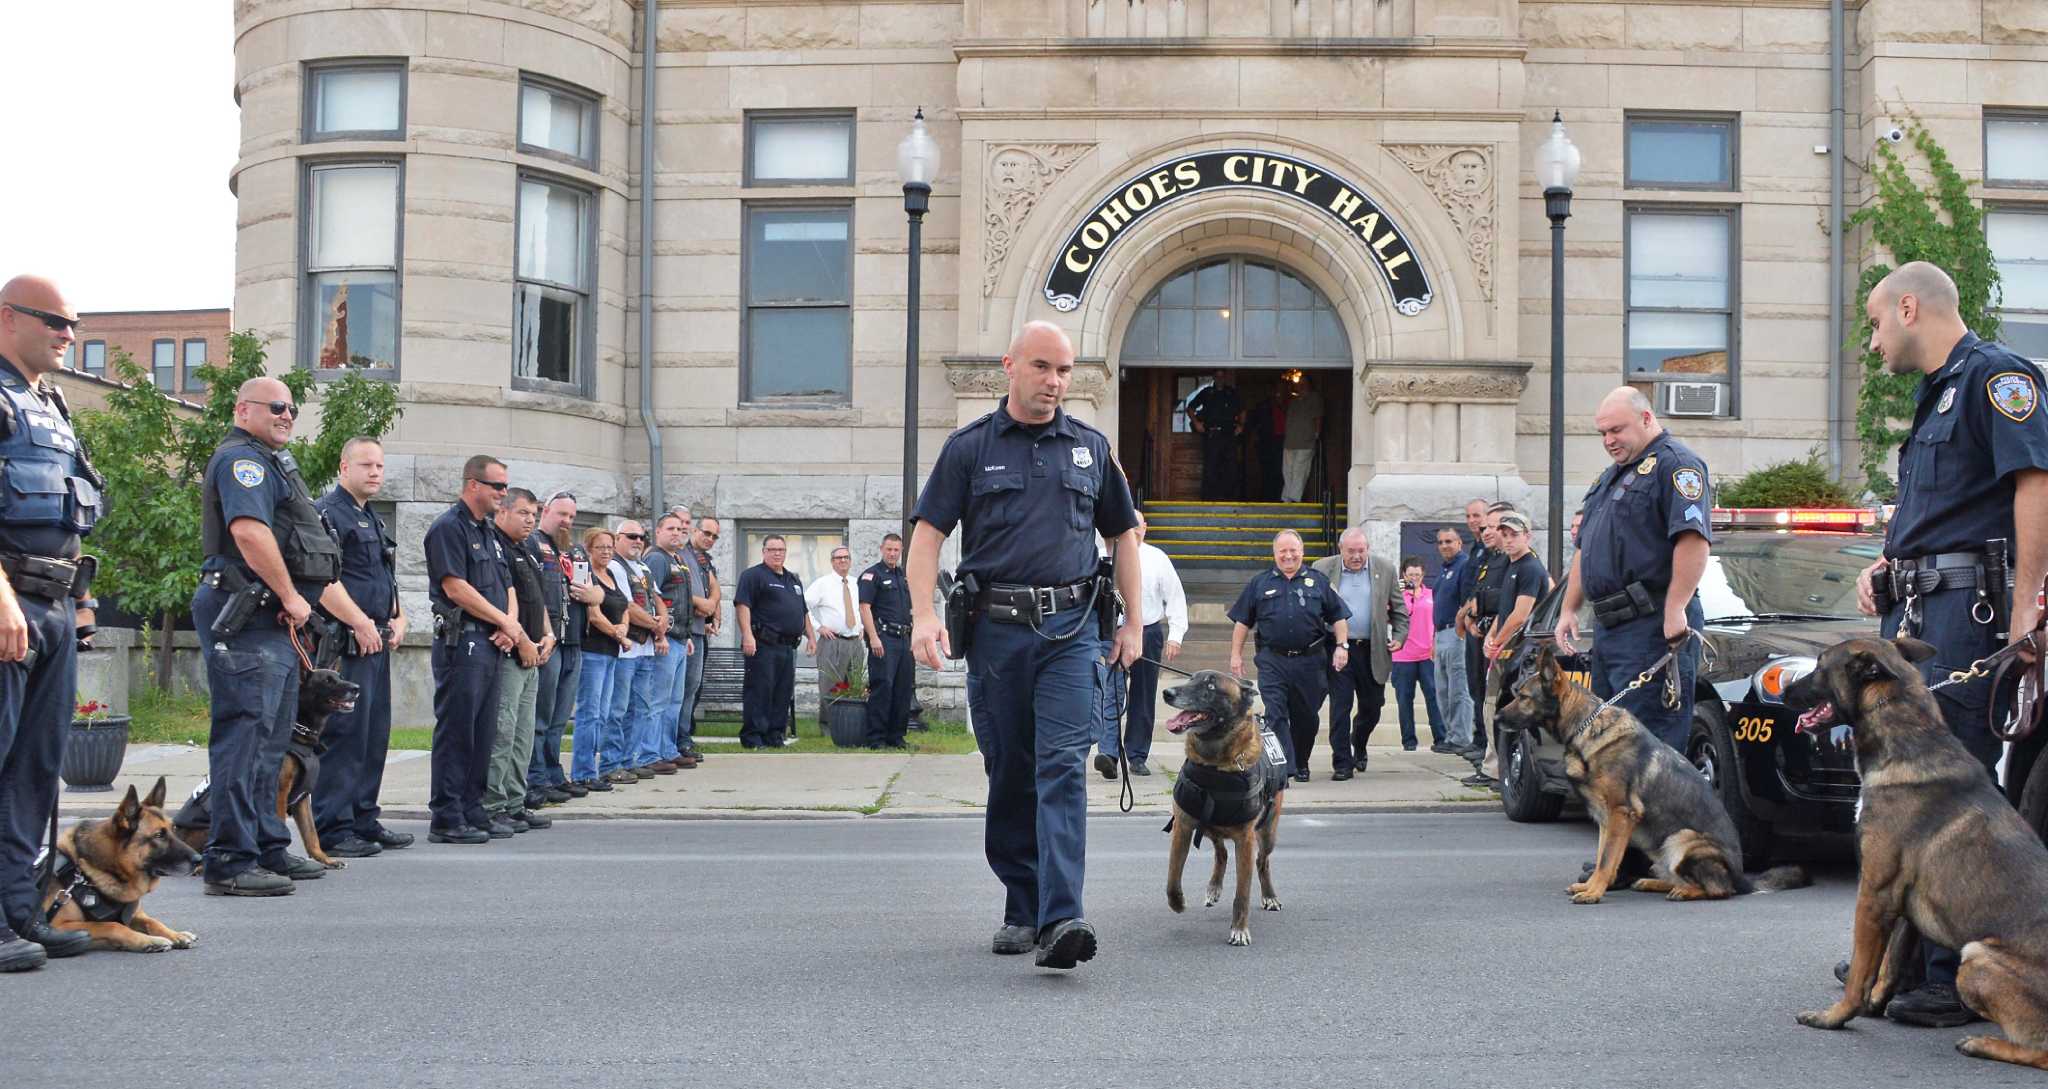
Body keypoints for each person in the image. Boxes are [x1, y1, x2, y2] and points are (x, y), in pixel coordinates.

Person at [1845, 261, 2048, 1027]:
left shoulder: (1997, 376)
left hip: (1974, 611)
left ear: (1909, 306)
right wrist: (1890, 564)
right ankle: (1908, 958)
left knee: (1948, 795)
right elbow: (1948, 507)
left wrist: (2026, 607)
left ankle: (1955, 966)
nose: (1873, 341)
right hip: (1927, 608)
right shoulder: (1939, 396)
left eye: (1874, 322)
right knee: (1910, 791)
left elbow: (2036, 482)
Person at [908, 319, 1143, 970]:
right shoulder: (970, 448)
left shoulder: (1092, 449)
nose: (1055, 381)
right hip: (998, 634)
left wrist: (1133, 624)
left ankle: (1061, 917)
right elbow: (927, 534)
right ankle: (1023, 900)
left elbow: (1124, 534)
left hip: (1071, 633)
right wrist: (924, 614)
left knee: (1062, 766)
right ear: (1009, 366)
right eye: (1042, 366)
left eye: (1064, 370)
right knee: (1010, 767)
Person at [193, 375, 340, 892]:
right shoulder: (243, 461)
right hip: (248, 616)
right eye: (276, 406)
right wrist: (292, 595)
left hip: (269, 623)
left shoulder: (274, 463)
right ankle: (230, 862)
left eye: (293, 409)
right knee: (244, 742)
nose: (286, 415)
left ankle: (268, 849)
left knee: (270, 744)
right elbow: (248, 532)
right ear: (242, 409)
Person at [0, 277, 104, 964]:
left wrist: (83, 598)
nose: (68, 334)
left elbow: (76, 511)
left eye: (72, 324)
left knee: (36, 769)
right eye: (55, 321)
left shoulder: (53, 405)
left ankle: (18, 910)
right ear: (9, 317)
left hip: (56, 606)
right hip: (9, 605)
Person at [1554, 387, 1712, 756]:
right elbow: (1586, 547)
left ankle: (1655, 817)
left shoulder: (1677, 465)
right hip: (1612, 631)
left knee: (1647, 753)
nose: (1609, 440)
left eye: (1617, 430)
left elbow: (1692, 540)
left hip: (1652, 626)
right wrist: (1568, 608)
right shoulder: (1611, 477)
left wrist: (1676, 611)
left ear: (1646, 418)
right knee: (1612, 751)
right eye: (1603, 433)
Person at [310, 437, 412, 857]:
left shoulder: (371, 517)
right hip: (346, 642)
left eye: (380, 466)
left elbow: (383, 576)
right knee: (344, 735)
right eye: (366, 465)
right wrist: (359, 622)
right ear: (343, 467)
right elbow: (322, 579)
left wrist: (399, 616)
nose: (375, 472)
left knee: (374, 734)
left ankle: (363, 818)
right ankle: (333, 827)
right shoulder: (327, 514)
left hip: (376, 639)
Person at [422, 455, 525, 844]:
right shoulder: (449, 528)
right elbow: (455, 587)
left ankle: (472, 807)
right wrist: (503, 621)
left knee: (484, 731)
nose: (503, 493)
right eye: (497, 486)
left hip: (493, 640)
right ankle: (447, 816)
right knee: (458, 730)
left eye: (505, 486)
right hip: (462, 640)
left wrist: (508, 626)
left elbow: (507, 586)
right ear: (473, 485)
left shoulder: (489, 532)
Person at [1230, 530, 1351, 783]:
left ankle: (1301, 761)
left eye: (1293, 550)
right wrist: (1236, 655)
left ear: (1302, 552)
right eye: (1282, 551)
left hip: (1311, 661)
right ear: (1274, 554)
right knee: (1275, 712)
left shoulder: (1318, 581)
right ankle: (1283, 767)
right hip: (1272, 660)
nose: (1288, 555)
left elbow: (1338, 616)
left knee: (1306, 717)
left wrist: (1342, 646)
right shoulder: (1259, 583)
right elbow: (1242, 622)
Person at [1091, 512, 1185, 778]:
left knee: (1143, 696)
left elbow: (1175, 597)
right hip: (1111, 631)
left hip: (1148, 630)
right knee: (1110, 692)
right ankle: (1108, 753)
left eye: (1137, 524)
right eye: (1127, 523)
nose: (1132, 529)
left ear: (1145, 528)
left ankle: (1137, 754)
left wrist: (1175, 635)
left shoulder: (1158, 558)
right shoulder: (1101, 555)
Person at [482, 489, 553, 832]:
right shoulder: (496, 546)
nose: (530, 520)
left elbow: (537, 599)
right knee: (503, 732)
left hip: (535, 650)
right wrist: (523, 640)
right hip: (510, 653)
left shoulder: (529, 549)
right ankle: (493, 805)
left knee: (523, 734)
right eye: (524, 513)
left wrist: (548, 634)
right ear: (504, 512)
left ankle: (514, 800)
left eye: (534, 515)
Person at [1311, 527, 1406, 776]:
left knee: (1372, 707)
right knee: (1340, 706)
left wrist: (1399, 636)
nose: (1356, 556)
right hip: (1336, 649)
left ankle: (1359, 742)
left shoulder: (1384, 569)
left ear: (1368, 549)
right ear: (1340, 549)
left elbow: (1399, 609)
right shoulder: (1322, 568)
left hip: (1371, 649)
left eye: (1361, 550)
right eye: (1351, 551)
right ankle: (1342, 763)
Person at [1477, 512, 1550, 787]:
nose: (1508, 540)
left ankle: (1502, 770)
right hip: (1504, 650)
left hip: (1520, 654)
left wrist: (1498, 642)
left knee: (1505, 710)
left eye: (1514, 535)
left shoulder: (1530, 567)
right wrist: (1492, 634)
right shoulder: (1512, 566)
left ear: (1527, 536)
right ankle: (1493, 768)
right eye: (1504, 535)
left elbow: (1521, 615)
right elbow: (1505, 611)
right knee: (1490, 708)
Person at [530, 493, 593, 799]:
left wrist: (595, 596)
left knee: (559, 718)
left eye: (571, 516)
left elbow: (596, 593)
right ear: (546, 511)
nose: (567, 521)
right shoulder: (533, 543)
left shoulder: (574, 551)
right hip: (549, 641)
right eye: (562, 514)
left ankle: (554, 773)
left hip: (574, 640)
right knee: (541, 716)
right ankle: (536, 777)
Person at [569, 528, 634, 792]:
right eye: (600, 548)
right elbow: (594, 615)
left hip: (611, 652)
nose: (606, 552)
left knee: (604, 714)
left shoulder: (611, 575)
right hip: (592, 651)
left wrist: (623, 630)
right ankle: (583, 773)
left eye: (609, 547)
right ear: (588, 549)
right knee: (589, 714)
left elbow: (624, 608)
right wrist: (619, 635)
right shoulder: (586, 575)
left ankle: (593, 770)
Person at [736, 535, 815, 749]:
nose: (777, 553)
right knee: (760, 691)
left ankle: (775, 736)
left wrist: (811, 636)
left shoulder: (793, 579)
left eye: (781, 549)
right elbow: (743, 605)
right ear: (764, 552)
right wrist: (747, 635)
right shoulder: (753, 576)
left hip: (788, 646)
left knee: (782, 692)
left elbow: (803, 610)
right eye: (772, 549)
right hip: (763, 644)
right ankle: (754, 737)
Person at [611, 520, 673, 776]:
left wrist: (663, 624)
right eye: (631, 536)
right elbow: (628, 606)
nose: (638, 540)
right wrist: (657, 626)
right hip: (626, 650)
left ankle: (631, 759)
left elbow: (657, 599)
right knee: (619, 709)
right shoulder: (615, 565)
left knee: (641, 708)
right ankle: (612, 763)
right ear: (617, 538)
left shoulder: (644, 567)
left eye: (641, 537)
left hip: (646, 649)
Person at [647, 512, 699, 769]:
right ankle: (652, 753)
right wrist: (659, 634)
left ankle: (668, 749)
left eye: (680, 529)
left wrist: (686, 634)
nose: (676, 533)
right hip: (664, 640)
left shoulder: (677, 559)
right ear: (658, 531)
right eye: (670, 528)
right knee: (658, 700)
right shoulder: (656, 558)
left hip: (679, 638)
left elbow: (682, 601)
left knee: (674, 701)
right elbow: (650, 598)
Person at [858, 533, 914, 750]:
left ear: (900, 551)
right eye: (889, 549)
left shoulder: (903, 576)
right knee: (883, 687)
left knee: (903, 689)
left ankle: (896, 737)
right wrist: (873, 638)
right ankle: (876, 738)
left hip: (904, 639)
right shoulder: (872, 575)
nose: (892, 553)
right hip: (884, 638)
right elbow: (865, 608)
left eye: (896, 550)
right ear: (881, 549)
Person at [1390, 557, 1447, 752]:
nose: (1413, 578)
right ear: (1403, 575)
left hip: (1427, 654)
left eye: (1417, 574)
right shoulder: (1396, 596)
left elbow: (1439, 621)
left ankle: (1441, 737)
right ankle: (1409, 741)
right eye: (1410, 574)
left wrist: (1436, 644)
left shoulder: (1432, 594)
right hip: (1402, 655)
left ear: (1423, 575)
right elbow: (1385, 616)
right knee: (1405, 700)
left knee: (1433, 697)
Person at [1429, 526, 1475, 756]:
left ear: (1459, 543)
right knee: (1443, 690)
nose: (1445, 545)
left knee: (1458, 689)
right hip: (1441, 634)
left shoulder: (1464, 566)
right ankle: (1451, 735)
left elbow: (1470, 600)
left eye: (1449, 541)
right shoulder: (1444, 570)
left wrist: (1460, 625)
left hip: (1457, 634)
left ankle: (1462, 737)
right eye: (1441, 542)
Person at [679, 515, 722, 754]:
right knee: (681, 690)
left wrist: (713, 611)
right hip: (681, 632)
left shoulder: (705, 560)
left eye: (715, 536)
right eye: (706, 533)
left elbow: (714, 587)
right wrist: (704, 605)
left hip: (698, 629)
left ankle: (683, 735)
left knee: (692, 688)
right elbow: (675, 592)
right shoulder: (681, 554)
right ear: (694, 530)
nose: (710, 539)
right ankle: (676, 738)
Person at [806, 544, 865, 708]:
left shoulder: (856, 583)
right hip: (832, 642)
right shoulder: (822, 583)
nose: (843, 560)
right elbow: (802, 606)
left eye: (846, 557)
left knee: (854, 685)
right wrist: (818, 627)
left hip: (854, 643)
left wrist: (862, 626)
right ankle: (828, 725)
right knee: (830, 686)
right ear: (832, 562)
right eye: (839, 558)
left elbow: (863, 608)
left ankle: (851, 723)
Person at [1184, 368, 1243, 501]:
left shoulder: (1231, 393)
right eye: (1217, 376)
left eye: (1222, 376)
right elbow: (1190, 408)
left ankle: (1229, 500)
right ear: (1214, 378)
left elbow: (1242, 410)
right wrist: (1197, 423)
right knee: (1211, 468)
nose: (1220, 379)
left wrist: (1241, 425)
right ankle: (1209, 500)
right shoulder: (1207, 393)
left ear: (1225, 378)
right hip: (1212, 435)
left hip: (1229, 436)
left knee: (1230, 468)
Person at [1280, 380, 1324, 502]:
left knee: (1300, 471)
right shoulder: (1294, 400)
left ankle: (1294, 499)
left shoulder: (1314, 398)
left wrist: (1316, 434)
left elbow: (1318, 417)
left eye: (1302, 384)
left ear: (1308, 385)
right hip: (1290, 442)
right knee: (1287, 471)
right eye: (1298, 384)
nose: (1299, 386)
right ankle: (1287, 498)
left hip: (1305, 441)